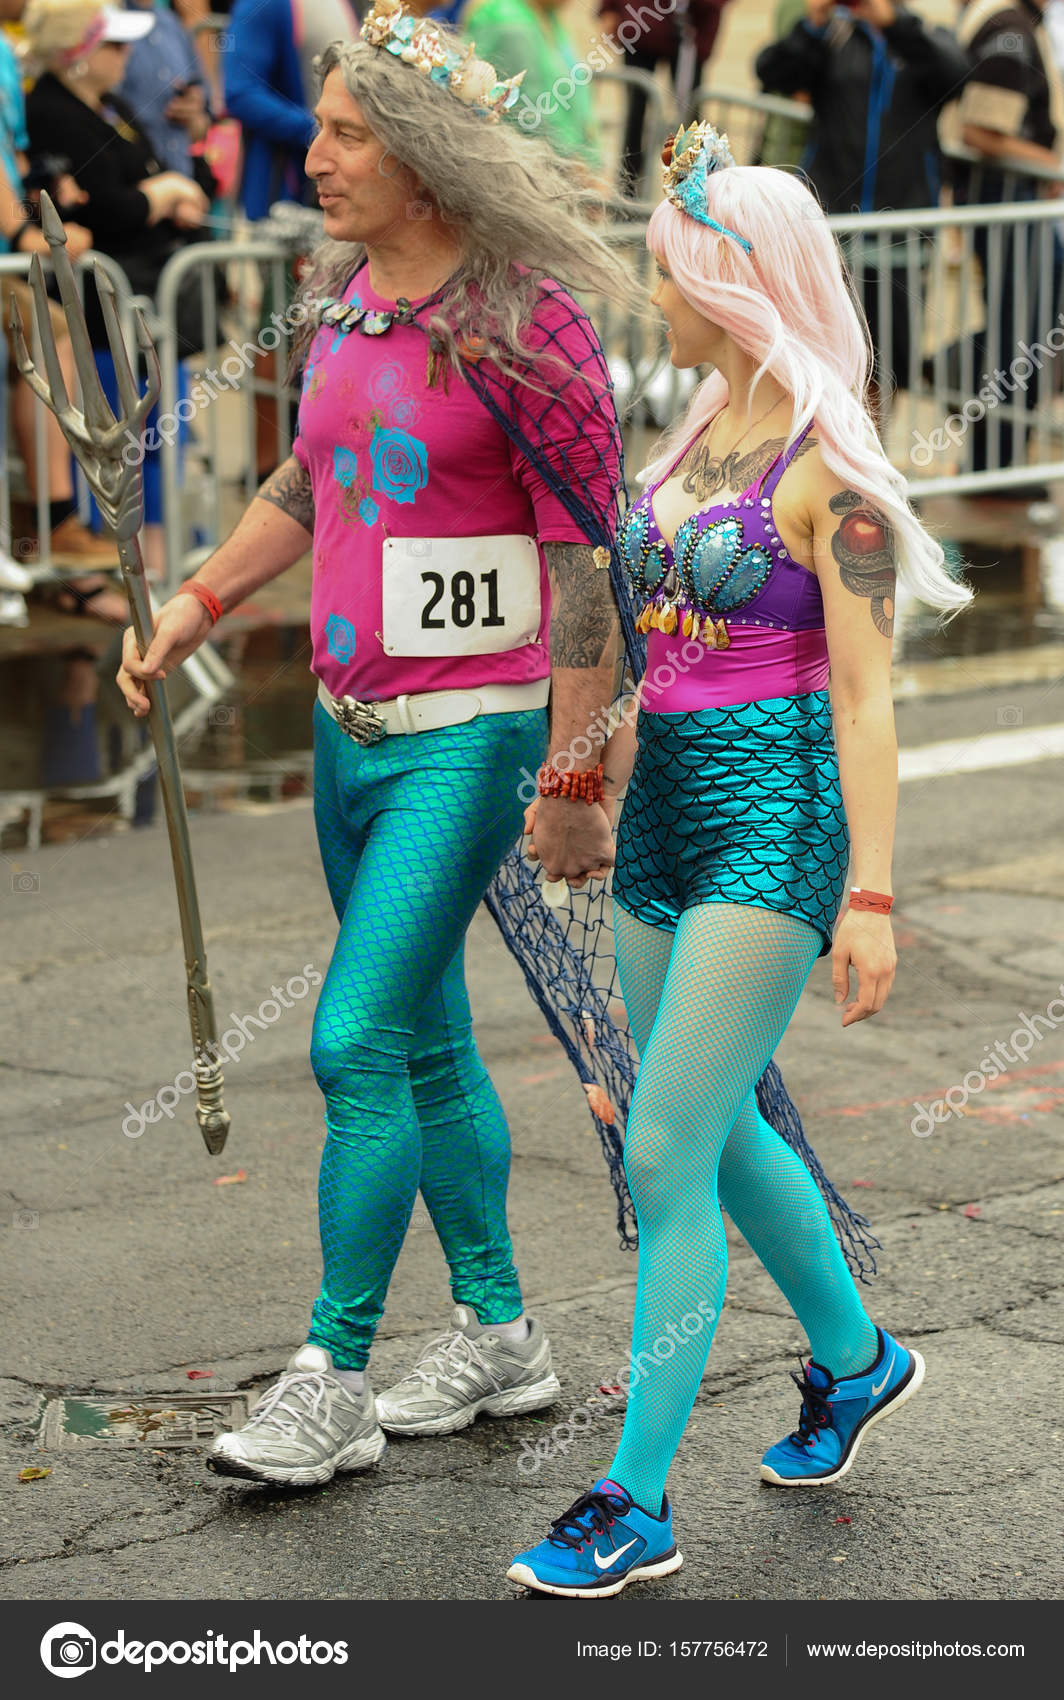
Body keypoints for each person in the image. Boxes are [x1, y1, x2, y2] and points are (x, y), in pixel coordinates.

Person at [116, 0, 635, 1487]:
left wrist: (574, 770)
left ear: (421, 157)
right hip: (347, 729)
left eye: (347, 135)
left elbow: (585, 560)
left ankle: (330, 1372)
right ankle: (502, 1332)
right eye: (325, 127)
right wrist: (201, 602)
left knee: (350, 1039)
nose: (315, 155)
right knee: (424, 1037)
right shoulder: (343, 295)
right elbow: (309, 472)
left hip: (469, 735)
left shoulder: (525, 323)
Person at [507, 122, 972, 1597]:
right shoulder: (686, 441)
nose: (652, 292)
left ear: (731, 278)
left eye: (667, 268)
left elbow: (867, 702)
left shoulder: (834, 474)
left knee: (661, 1147)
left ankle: (632, 1498)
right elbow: (642, 637)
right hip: (665, 818)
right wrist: (585, 770)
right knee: (716, 1129)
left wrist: (871, 896)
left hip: (776, 829)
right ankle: (856, 1357)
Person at [756, 2, 968, 403]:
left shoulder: (922, 37)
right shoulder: (833, 38)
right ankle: (823, 437)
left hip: (900, 229)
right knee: (821, 352)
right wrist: (813, 23)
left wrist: (894, 23)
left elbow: (956, 76)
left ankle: (869, 442)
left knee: (887, 362)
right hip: (829, 225)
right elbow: (772, 71)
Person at [948, 0, 1060, 493]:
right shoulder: (1009, 28)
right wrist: (1050, 165)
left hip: (1009, 201)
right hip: (1005, 199)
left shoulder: (1014, 23)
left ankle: (997, 463)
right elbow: (979, 130)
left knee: (1026, 330)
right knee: (1021, 334)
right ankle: (993, 467)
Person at [223, 0, 363, 221]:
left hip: (337, 178)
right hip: (280, 185)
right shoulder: (262, 4)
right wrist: (321, 129)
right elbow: (241, 93)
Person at [597, 0, 732, 198]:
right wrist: (609, 8)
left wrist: (708, 18)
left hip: (689, 31)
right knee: (635, 120)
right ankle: (627, 194)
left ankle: (695, 194)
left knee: (690, 121)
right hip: (641, 25)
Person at [461, 0, 601, 167]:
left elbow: (579, 98)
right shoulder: (507, 19)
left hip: (560, 160)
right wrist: (571, 161)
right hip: (524, 161)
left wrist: (592, 160)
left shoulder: (548, 17)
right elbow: (532, 104)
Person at [115, 0, 214, 179]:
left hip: (181, 175)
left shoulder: (171, 24)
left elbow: (203, 118)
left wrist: (194, 110)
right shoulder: (108, 26)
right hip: (134, 180)